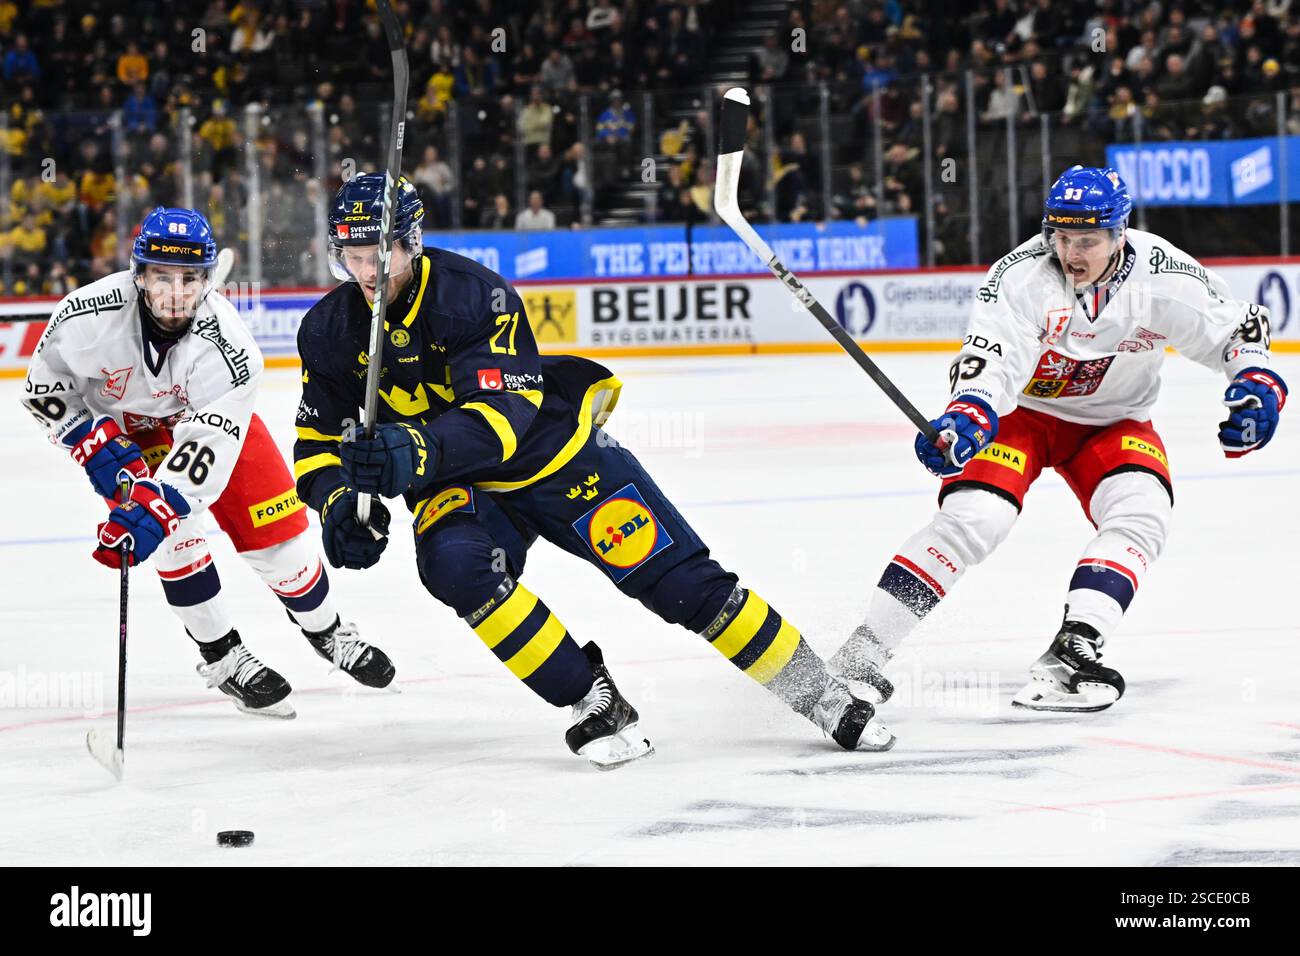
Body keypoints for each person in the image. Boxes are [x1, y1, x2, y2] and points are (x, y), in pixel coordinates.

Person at [293, 175, 894, 769]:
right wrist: (341, 502)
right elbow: (316, 442)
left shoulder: (475, 295)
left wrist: (416, 451)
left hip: (556, 458)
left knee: (683, 585)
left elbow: (503, 419)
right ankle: (592, 698)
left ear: (412, 241)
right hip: (456, 486)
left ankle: (820, 692)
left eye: (383, 254)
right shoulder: (327, 331)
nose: (370, 273)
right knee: (454, 566)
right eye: (355, 258)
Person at [829, 166, 1284, 716]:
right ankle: (862, 653)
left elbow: (1235, 330)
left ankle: (1075, 648)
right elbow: (990, 359)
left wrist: (1259, 385)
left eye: (1088, 240)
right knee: (975, 520)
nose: (1071, 252)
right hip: (1024, 417)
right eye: (1061, 236)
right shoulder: (1019, 278)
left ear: (1121, 234)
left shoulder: (1164, 274)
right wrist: (967, 414)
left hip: (1113, 422)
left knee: (1142, 511)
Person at [23, 207, 394, 718]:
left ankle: (328, 633)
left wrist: (160, 501)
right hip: (126, 428)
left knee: (281, 543)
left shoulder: (232, 347)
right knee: (177, 538)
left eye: (190, 279)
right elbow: (46, 388)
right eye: (162, 277)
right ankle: (224, 656)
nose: (176, 293)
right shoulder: (85, 316)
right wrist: (93, 444)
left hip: (205, 420)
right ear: (139, 275)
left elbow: (209, 444)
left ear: (206, 279)